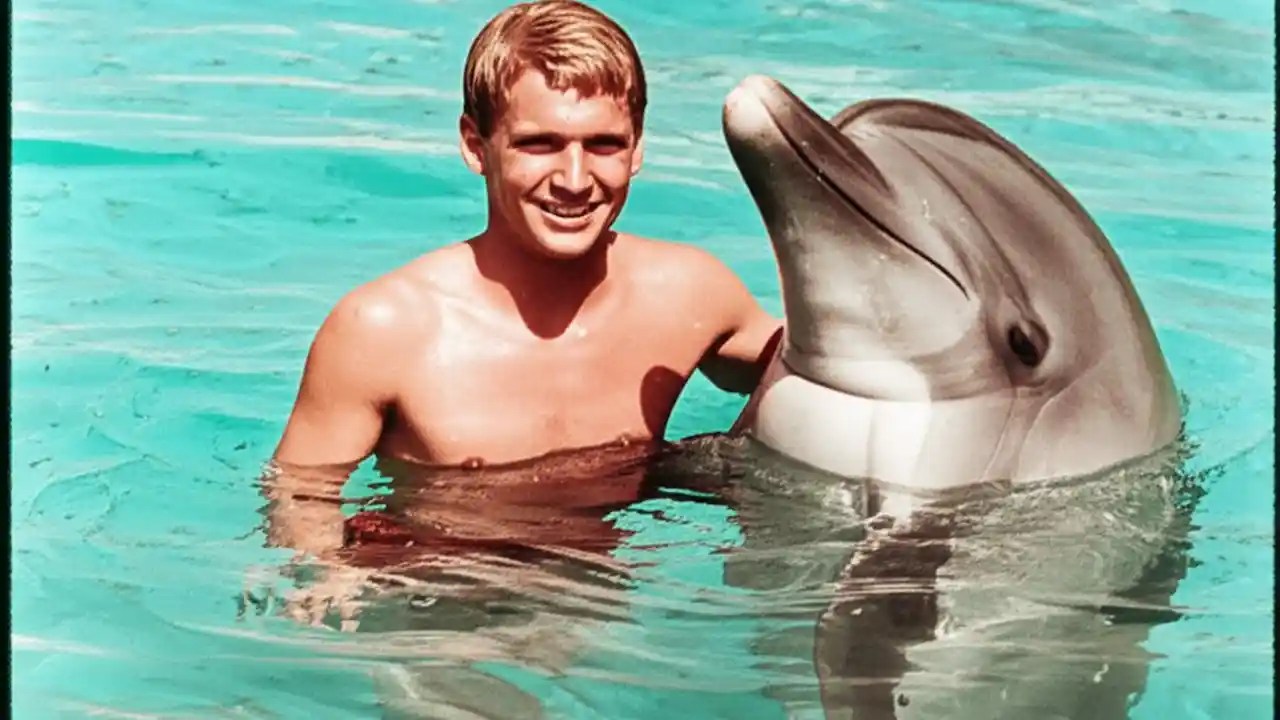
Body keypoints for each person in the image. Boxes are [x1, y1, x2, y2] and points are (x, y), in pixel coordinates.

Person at [262, 0, 781, 562]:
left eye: (603, 144)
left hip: (602, 588)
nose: (575, 179)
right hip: (433, 590)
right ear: (474, 145)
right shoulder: (384, 329)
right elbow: (299, 501)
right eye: (539, 144)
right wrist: (328, 581)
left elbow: (819, 367)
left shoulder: (690, 296)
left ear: (637, 150)